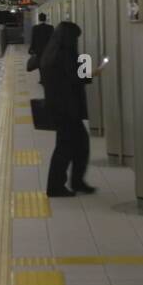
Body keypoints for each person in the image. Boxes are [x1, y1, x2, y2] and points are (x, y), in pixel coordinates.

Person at [40, 21, 103, 197]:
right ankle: (56, 186)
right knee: (67, 147)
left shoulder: (50, 52)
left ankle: (76, 182)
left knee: (76, 145)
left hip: (59, 107)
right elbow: (74, 79)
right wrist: (92, 73)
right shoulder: (64, 55)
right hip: (67, 109)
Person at [29, 13, 53, 84]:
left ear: (39, 19)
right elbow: (53, 39)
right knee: (48, 64)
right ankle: (47, 78)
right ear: (45, 19)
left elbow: (33, 39)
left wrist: (31, 48)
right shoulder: (50, 27)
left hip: (38, 50)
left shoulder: (35, 28)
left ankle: (42, 79)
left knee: (40, 65)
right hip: (48, 49)